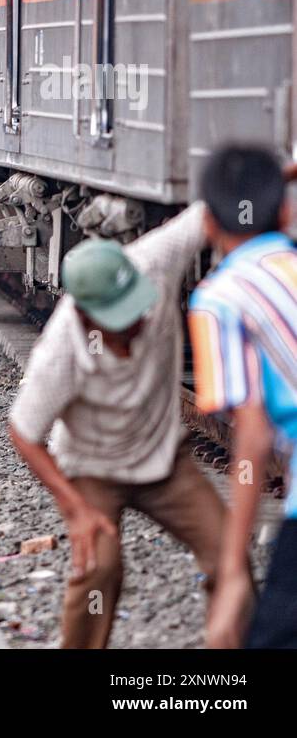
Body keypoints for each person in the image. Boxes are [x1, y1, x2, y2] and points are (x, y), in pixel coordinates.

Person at [8, 200, 227, 648]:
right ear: (85, 315)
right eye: (121, 319)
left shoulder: (156, 260)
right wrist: (76, 510)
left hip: (164, 461)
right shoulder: (61, 350)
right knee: (97, 570)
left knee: (228, 555)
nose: (138, 324)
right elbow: (24, 433)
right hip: (92, 470)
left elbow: (213, 207)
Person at [187, 147, 297, 649]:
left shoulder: (222, 298)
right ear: (288, 211)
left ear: (209, 223)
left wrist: (232, 571)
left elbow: (251, 438)